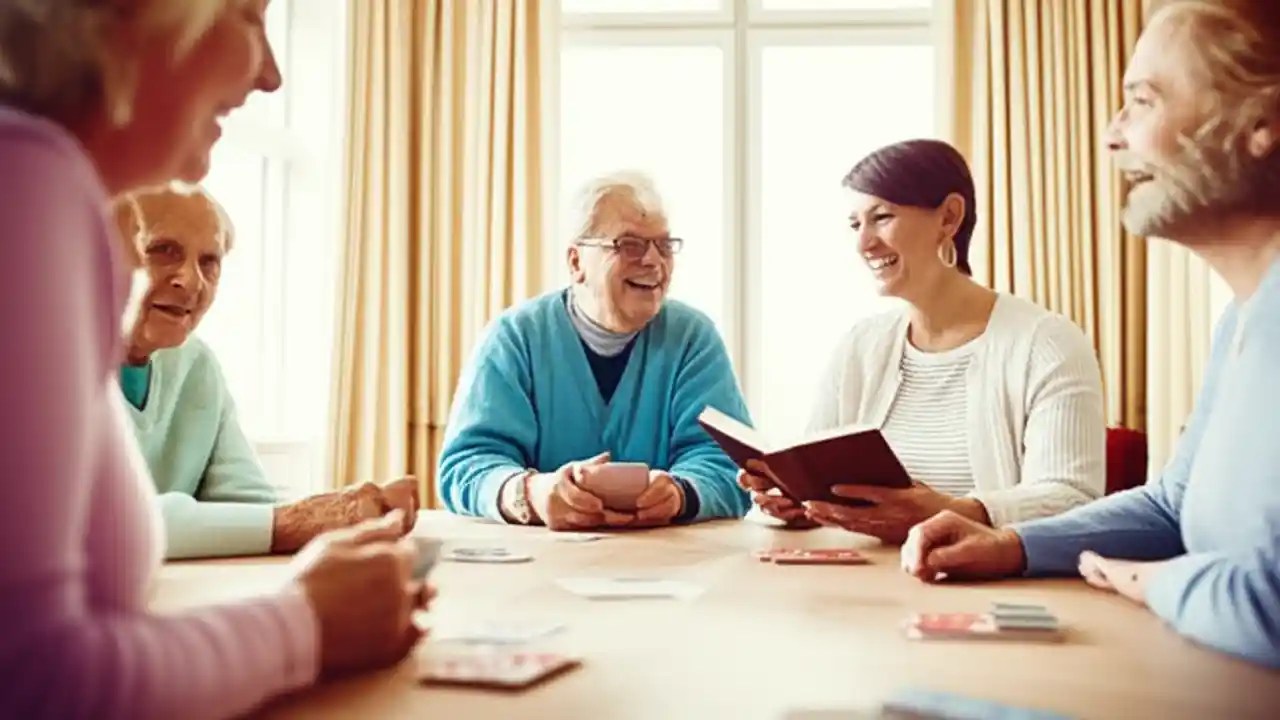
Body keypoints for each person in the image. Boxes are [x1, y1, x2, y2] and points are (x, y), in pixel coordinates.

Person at [0, 2, 429, 717]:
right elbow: (33, 682)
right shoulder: (24, 184)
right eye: (249, 17)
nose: (271, 73)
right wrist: (306, 623)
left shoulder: (52, 192)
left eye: (209, 262)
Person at [900, 0, 1280, 669]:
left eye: (1143, 100)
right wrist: (1012, 543)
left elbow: (1269, 606)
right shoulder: (1243, 319)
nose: (1111, 135)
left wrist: (1155, 581)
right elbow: (1174, 505)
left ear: (1264, 124)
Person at [740, 139, 1106, 543]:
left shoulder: (1047, 344)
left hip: (981, 586)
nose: (864, 243)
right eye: (855, 224)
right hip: (859, 582)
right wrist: (800, 504)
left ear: (949, 218)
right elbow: (821, 482)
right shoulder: (860, 347)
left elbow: (1073, 499)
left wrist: (956, 512)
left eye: (882, 217)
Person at [113, 185, 418, 559]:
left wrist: (353, 522)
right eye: (162, 252)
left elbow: (248, 503)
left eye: (209, 262)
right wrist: (305, 521)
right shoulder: (48, 364)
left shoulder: (196, 364)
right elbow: (102, 524)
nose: (192, 282)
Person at [437, 171, 752, 530]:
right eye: (630, 245)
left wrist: (682, 493)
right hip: (539, 564)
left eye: (664, 245)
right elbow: (466, 465)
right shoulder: (514, 338)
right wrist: (531, 493)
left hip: (670, 563)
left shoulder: (693, 339)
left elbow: (732, 466)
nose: (653, 261)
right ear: (576, 262)